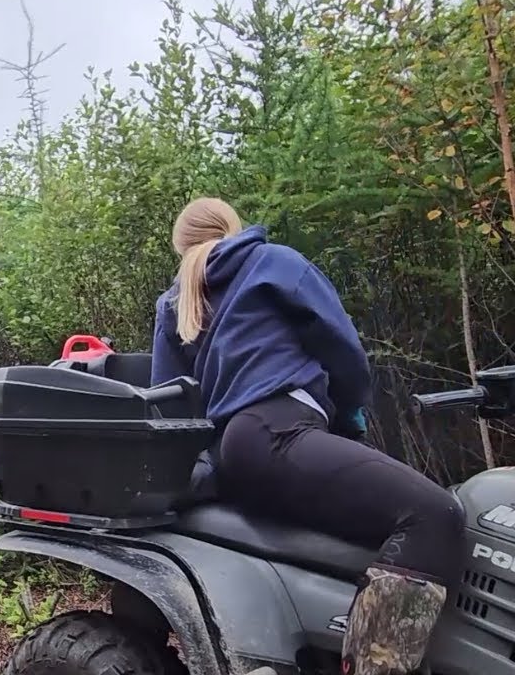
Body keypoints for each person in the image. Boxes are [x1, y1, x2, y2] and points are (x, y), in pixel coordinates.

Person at [150, 197, 463, 675]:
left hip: (241, 449)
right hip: (280, 432)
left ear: (182, 247)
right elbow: (344, 349)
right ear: (232, 227)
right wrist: (349, 417)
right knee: (433, 514)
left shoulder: (175, 302)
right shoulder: (272, 262)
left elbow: (169, 401)